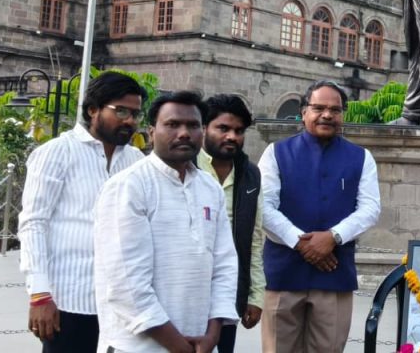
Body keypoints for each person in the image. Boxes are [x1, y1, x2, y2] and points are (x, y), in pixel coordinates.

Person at [94, 91, 239, 353]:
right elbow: (126, 284)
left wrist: (212, 335)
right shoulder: (129, 186)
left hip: (201, 342)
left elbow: (225, 266)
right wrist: (178, 346)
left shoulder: (209, 188)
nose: (184, 133)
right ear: (152, 132)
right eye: (172, 124)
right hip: (138, 346)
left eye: (193, 126)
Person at [17, 71, 148, 352]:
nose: (130, 120)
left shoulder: (136, 161)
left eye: (135, 113)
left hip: (124, 306)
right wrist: (39, 294)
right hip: (70, 301)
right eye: (121, 111)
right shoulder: (57, 152)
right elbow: (34, 224)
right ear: (93, 110)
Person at [259, 80, 381, 352]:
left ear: (342, 115)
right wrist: (302, 243)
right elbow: (264, 207)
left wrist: (333, 237)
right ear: (304, 112)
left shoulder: (361, 158)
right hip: (284, 275)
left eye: (335, 110)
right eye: (318, 108)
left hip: (334, 276)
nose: (327, 115)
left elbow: (370, 209)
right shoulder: (276, 153)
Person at [200, 94, 265, 352]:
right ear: (204, 128)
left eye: (239, 131)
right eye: (223, 128)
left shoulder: (250, 174)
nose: (232, 137)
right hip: (187, 289)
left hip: (228, 291)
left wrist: (255, 295)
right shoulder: (187, 166)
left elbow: (255, 238)